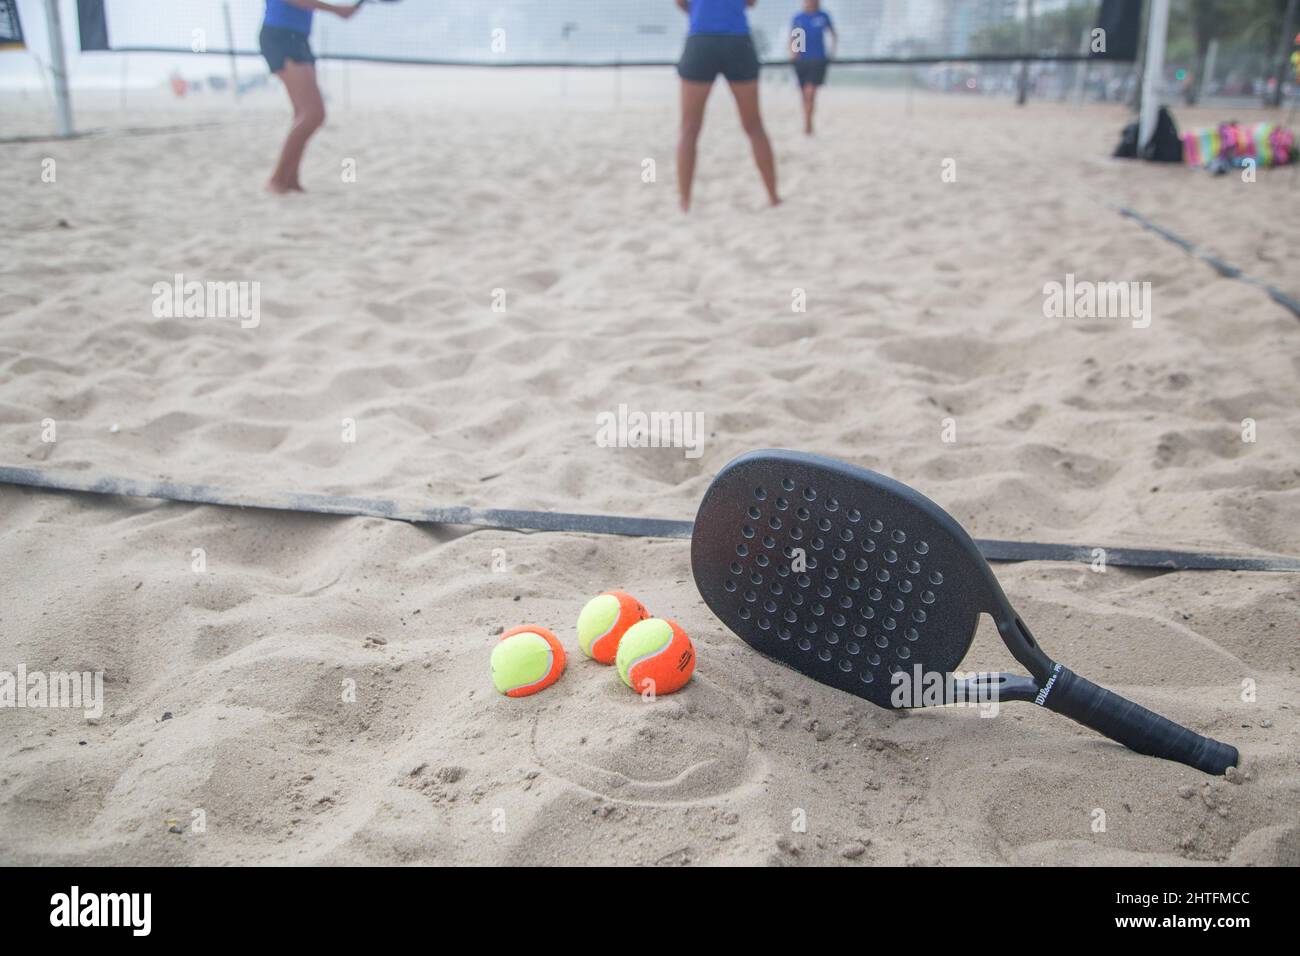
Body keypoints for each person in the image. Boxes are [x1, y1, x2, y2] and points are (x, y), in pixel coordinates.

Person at [675, 0, 779, 211]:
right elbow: (751, 2)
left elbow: (680, 3)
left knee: (689, 128)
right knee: (754, 126)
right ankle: (773, 197)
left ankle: (685, 204)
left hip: (701, 39)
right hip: (737, 40)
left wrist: (702, 11)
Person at [260, 1, 361, 194]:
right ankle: (277, 179)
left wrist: (342, 9)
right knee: (314, 114)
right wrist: (337, 10)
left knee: (302, 113)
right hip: (280, 36)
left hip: (297, 37)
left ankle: (291, 179)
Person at [789, 1, 836, 135]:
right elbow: (795, 39)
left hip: (818, 59)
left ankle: (808, 124)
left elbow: (832, 34)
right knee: (804, 93)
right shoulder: (799, 18)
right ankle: (807, 120)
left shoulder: (822, 16)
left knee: (811, 92)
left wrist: (832, 51)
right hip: (802, 59)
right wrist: (794, 52)